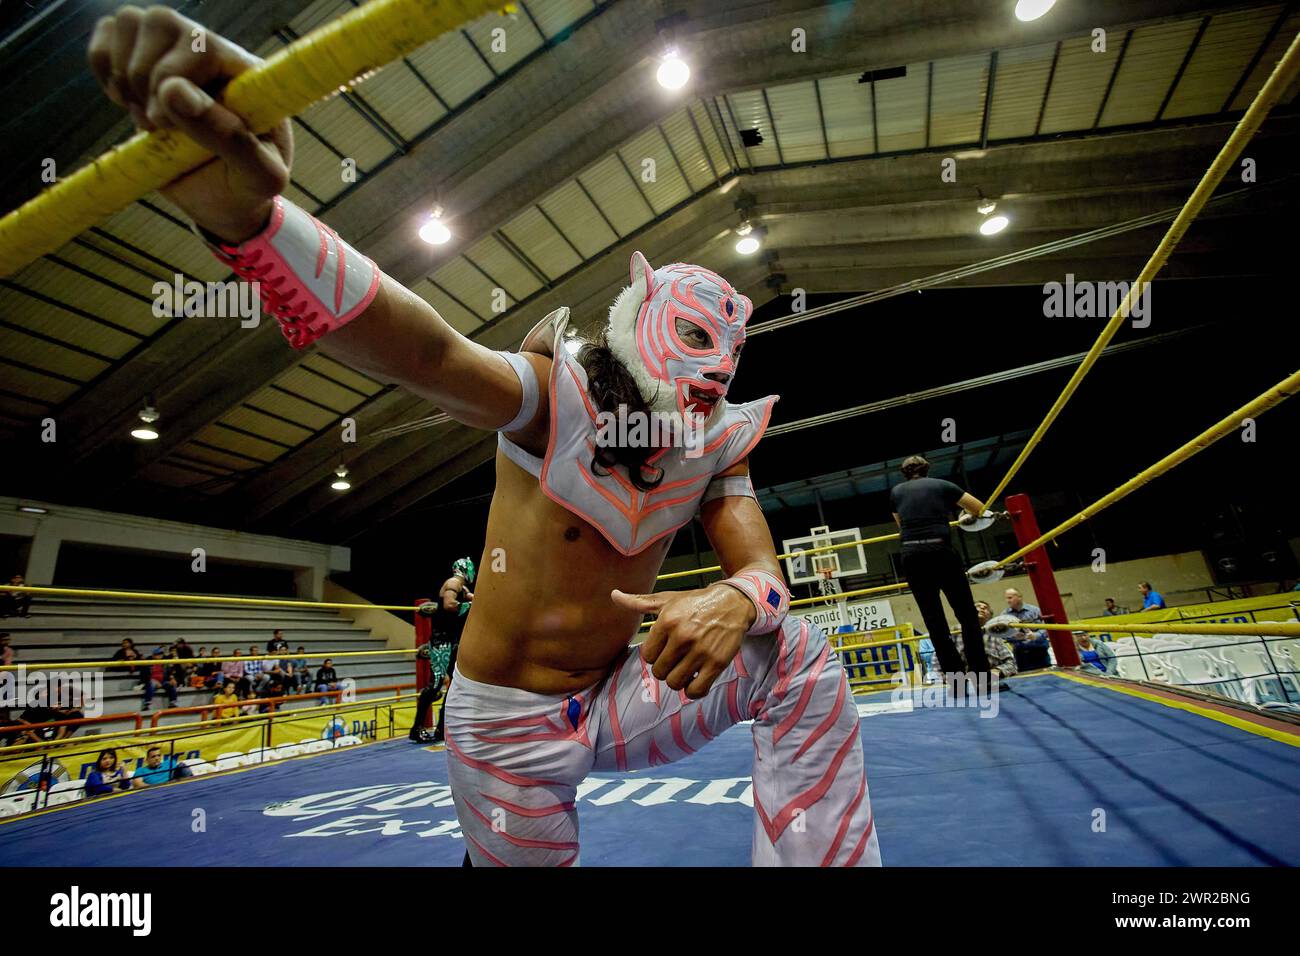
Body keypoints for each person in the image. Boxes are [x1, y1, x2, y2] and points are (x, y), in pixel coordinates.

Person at [85, 8, 879, 867]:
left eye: (730, 356)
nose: (717, 372)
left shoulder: (720, 441)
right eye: (695, 341)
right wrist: (259, 228)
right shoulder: (555, 396)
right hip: (506, 724)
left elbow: (762, 571)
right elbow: (427, 353)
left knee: (793, 652)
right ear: (638, 324)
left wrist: (737, 599)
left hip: (621, 697)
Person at [890, 454, 993, 683]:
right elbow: (980, 508)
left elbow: (901, 526)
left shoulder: (896, 492)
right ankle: (981, 679)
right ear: (927, 469)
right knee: (967, 616)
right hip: (941, 551)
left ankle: (955, 681)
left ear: (904, 473)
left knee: (934, 621)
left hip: (911, 555)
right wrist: (963, 516)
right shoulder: (943, 485)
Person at [410, 558, 474, 744]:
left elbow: (475, 598)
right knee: (436, 684)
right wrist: (469, 606)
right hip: (441, 641)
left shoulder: (462, 588)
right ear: (465, 569)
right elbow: (449, 605)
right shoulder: (453, 583)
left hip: (452, 641)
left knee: (455, 685)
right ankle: (416, 728)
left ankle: (441, 728)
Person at [1001, 587, 1051, 671]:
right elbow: (1002, 634)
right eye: (1006, 598)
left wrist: (1036, 635)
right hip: (1020, 654)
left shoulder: (1035, 610)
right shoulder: (1004, 615)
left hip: (1040, 651)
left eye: (1010, 597)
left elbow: (1046, 627)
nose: (1008, 601)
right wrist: (1013, 636)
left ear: (1019, 597)